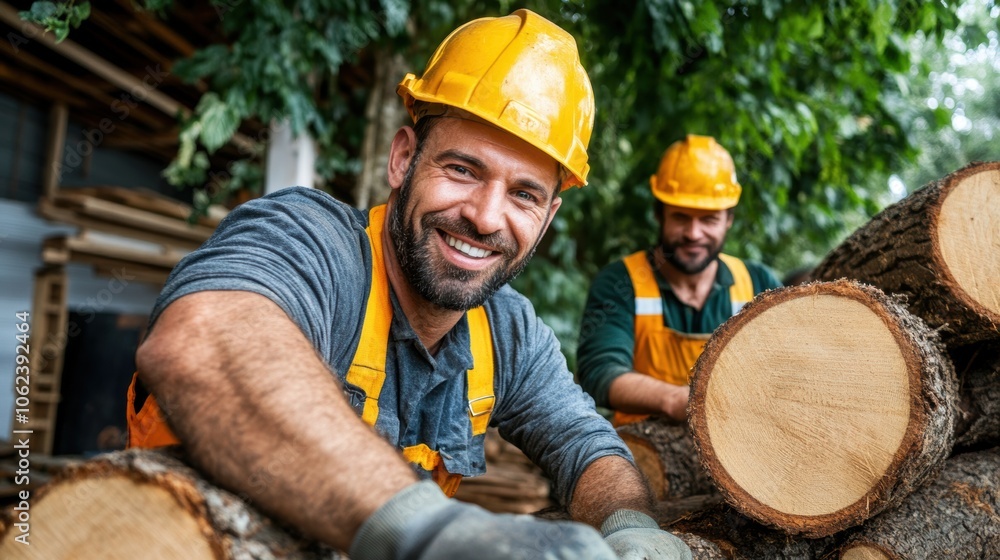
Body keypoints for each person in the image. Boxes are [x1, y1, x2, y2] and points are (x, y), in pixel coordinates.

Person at [125, 9, 690, 560]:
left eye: (524, 194)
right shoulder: (314, 243)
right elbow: (204, 340)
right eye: (463, 169)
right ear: (402, 159)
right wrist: (424, 529)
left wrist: (629, 526)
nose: (487, 217)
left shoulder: (507, 331)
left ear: (546, 218)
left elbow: (582, 442)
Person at [577, 135, 783, 427]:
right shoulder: (620, 281)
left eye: (709, 219)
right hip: (639, 448)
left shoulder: (758, 282)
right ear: (659, 214)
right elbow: (599, 372)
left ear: (729, 221)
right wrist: (679, 401)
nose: (693, 233)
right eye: (681, 218)